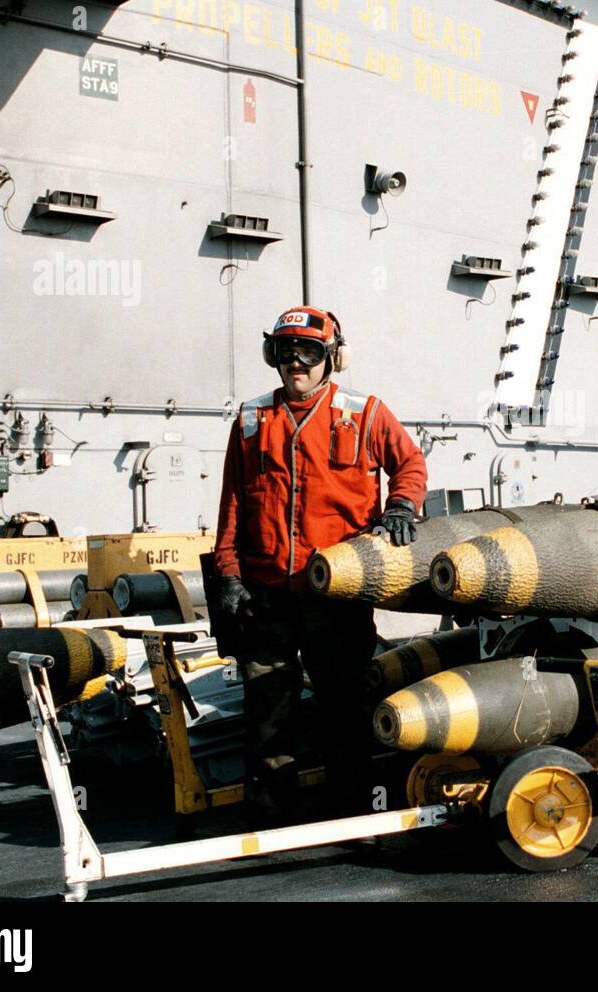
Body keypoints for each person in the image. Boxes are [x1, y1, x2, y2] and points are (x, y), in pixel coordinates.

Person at [213, 306, 427, 822]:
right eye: (286, 352)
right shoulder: (250, 420)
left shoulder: (366, 412)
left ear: (332, 358)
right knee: (267, 714)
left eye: (308, 352)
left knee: (344, 710)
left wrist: (401, 505)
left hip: (337, 595)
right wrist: (227, 575)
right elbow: (233, 505)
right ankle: (270, 822)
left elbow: (411, 464)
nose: (296, 363)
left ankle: (354, 817)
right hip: (267, 598)